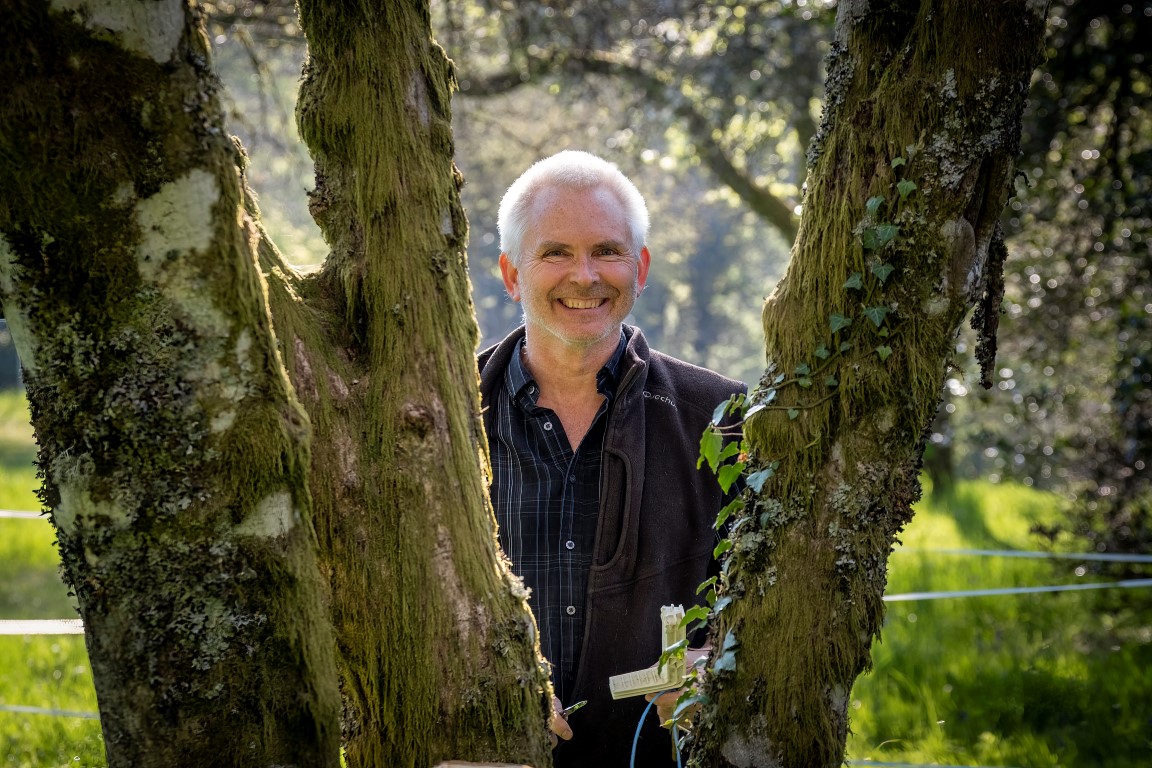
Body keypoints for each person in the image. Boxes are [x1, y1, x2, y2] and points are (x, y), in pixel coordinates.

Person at [477, 150, 744, 766]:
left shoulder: (722, 420)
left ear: (639, 267)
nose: (585, 275)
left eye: (606, 251)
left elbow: (767, 603)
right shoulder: (441, 421)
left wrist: (721, 660)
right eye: (555, 253)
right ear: (511, 274)